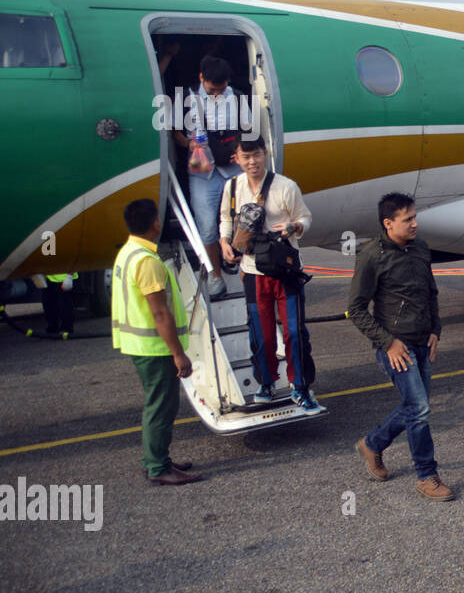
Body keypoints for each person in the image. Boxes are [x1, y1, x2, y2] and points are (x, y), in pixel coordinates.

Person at [348, 193, 453, 501]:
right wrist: (388, 343)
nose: (415, 223)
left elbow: (430, 291)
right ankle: (427, 476)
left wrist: (436, 329)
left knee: (414, 407)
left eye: (414, 217)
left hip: (423, 341)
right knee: (419, 409)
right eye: (408, 219)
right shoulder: (371, 256)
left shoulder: (420, 248)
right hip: (396, 347)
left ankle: (372, 444)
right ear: (388, 223)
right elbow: (355, 309)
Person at [218, 135, 321, 413]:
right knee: (260, 334)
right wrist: (225, 243)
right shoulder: (231, 187)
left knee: (294, 333)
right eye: (246, 156)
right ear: (236, 158)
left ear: (265, 154)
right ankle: (266, 383)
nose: (252, 162)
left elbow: (306, 217)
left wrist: (294, 227)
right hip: (252, 271)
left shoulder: (286, 186)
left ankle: (300, 387)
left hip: (285, 270)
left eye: (257, 155)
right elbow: (227, 220)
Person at [111, 199, 201, 485]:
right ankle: (158, 467)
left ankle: (155, 458)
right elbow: (160, 313)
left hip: (139, 346)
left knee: (156, 404)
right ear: (155, 224)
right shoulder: (147, 262)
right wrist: (178, 354)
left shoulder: (128, 252)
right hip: (155, 348)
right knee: (162, 407)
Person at [184, 55, 243, 297]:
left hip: (232, 167)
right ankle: (215, 276)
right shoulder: (186, 99)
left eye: (221, 89)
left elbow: (248, 128)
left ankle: (233, 256)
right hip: (202, 169)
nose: (216, 94)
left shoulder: (238, 97)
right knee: (207, 226)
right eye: (211, 90)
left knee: (245, 217)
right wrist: (188, 144)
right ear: (201, 78)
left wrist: (238, 149)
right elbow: (174, 134)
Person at [38, 271, 77, 337]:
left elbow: (74, 261)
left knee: (64, 304)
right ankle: (53, 326)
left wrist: (69, 276)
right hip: (48, 277)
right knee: (48, 303)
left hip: (63, 277)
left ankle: (67, 328)